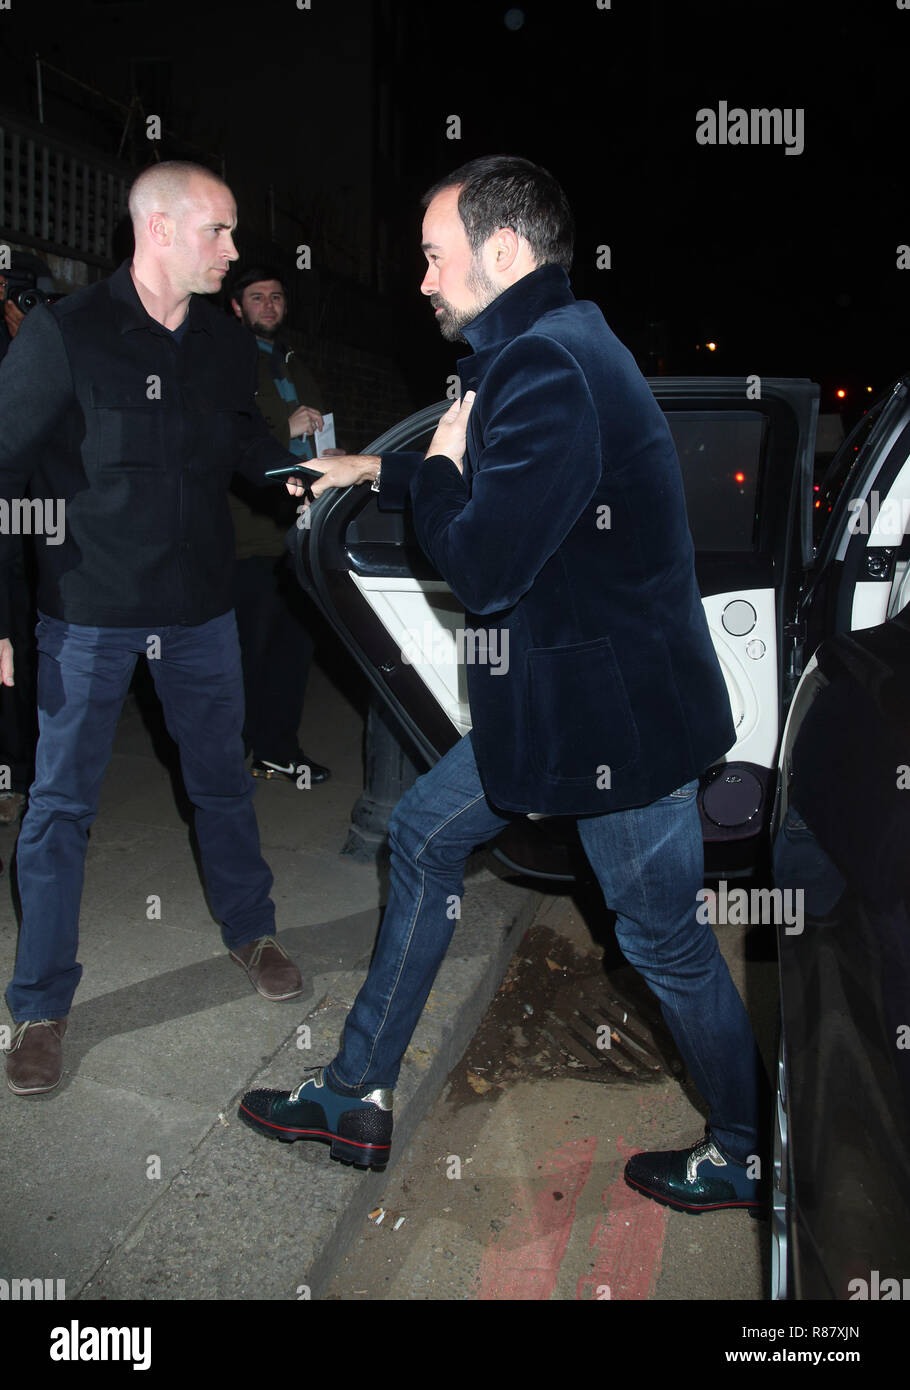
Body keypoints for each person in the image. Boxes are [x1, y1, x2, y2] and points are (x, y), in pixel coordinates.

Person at [240, 155, 771, 1216]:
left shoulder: (539, 367)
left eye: (435, 257)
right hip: (582, 710)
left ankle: (752, 1150)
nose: (424, 281)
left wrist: (432, 467)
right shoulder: (559, 345)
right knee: (428, 836)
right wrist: (376, 469)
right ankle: (355, 1092)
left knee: (663, 941)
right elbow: (531, 482)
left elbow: (484, 560)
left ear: (503, 250)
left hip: (607, 733)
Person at [1, 161, 310, 1098]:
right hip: (87, 613)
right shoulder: (65, 334)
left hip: (200, 611)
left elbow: (242, 439)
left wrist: (301, 466)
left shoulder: (219, 343)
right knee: (59, 809)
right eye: (218, 231)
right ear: (162, 230)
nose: (232, 249)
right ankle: (39, 1006)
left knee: (221, 782)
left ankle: (249, 931)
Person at [227, 265, 330, 785]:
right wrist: (282, 426)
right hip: (250, 531)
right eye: (256, 297)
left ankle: (277, 749)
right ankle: (231, 758)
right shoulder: (228, 357)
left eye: (276, 297)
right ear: (236, 307)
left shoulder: (294, 360)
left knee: (295, 645)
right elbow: (221, 433)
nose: (268, 305)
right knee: (248, 649)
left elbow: (321, 428)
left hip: (300, 530)